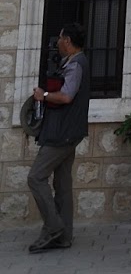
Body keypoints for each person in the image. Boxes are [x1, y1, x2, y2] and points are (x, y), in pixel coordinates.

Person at [26, 22, 90, 253]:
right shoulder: (72, 63)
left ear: (68, 42)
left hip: (61, 134)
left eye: (61, 39)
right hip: (69, 132)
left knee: (35, 177)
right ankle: (64, 237)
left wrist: (42, 95)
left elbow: (66, 97)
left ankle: (53, 226)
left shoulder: (75, 65)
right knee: (62, 183)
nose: (58, 43)